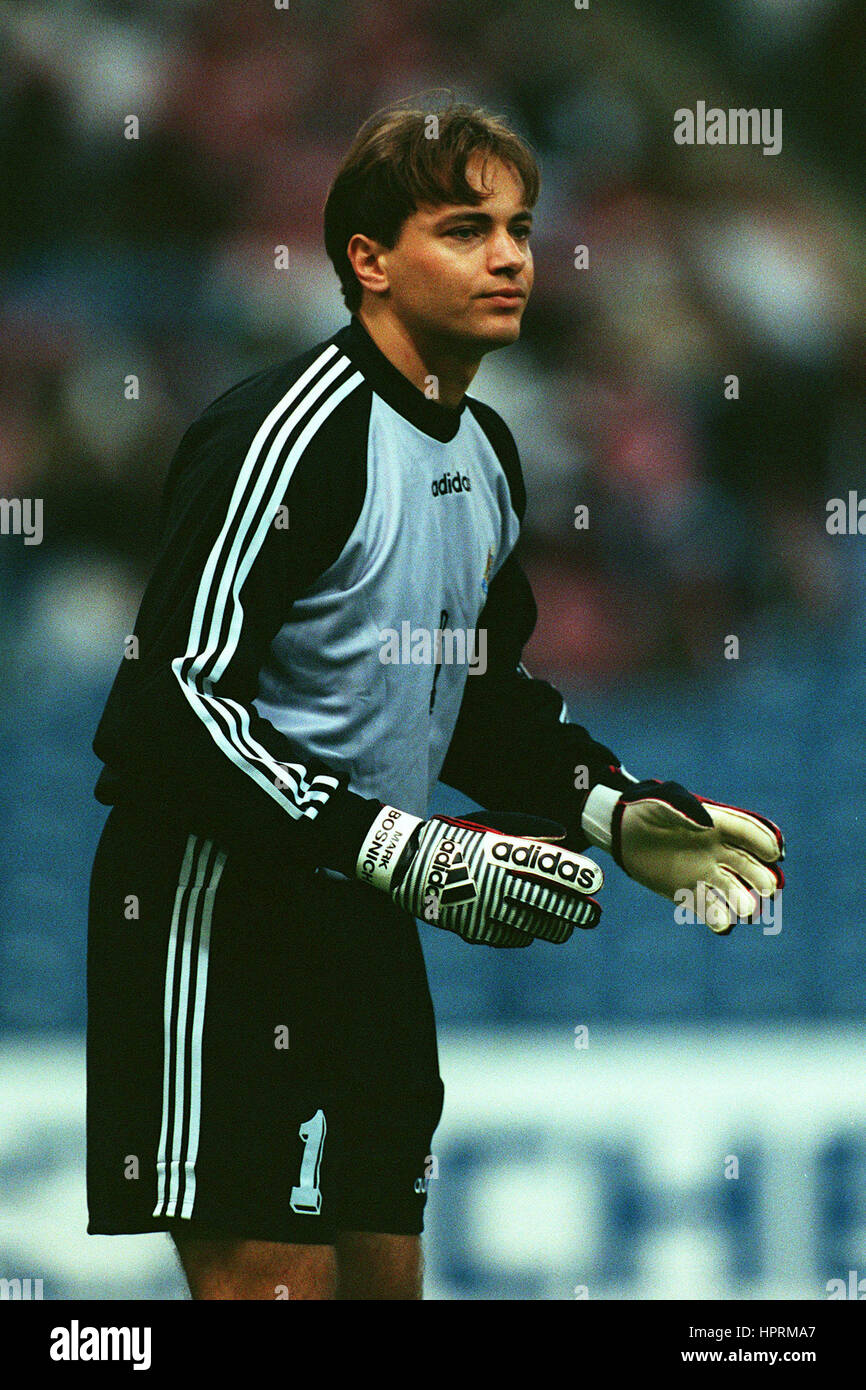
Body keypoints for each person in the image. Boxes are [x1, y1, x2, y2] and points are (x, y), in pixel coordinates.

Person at [86, 101, 784, 1300]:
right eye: (464, 229)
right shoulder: (289, 434)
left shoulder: (488, 453)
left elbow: (473, 696)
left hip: (362, 923)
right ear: (367, 259)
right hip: (222, 922)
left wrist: (612, 811)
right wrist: (387, 841)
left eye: (518, 228)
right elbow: (164, 713)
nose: (510, 256)